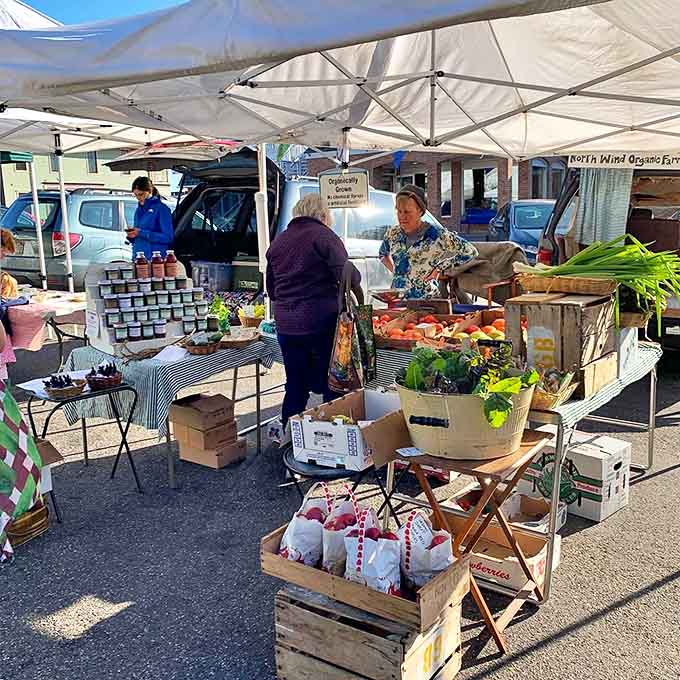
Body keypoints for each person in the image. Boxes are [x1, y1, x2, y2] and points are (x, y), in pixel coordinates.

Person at [266, 194, 362, 434]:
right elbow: (351, 276)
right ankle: (334, 439)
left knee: (296, 385)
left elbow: (271, 289)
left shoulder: (278, 242)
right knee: (333, 385)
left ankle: (291, 439)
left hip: (287, 325)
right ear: (322, 215)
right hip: (322, 322)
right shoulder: (324, 236)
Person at [379, 184, 478, 298]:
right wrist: (397, 273)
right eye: (399, 211)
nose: (402, 216)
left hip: (426, 299)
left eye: (407, 212)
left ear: (420, 211)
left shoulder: (437, 234)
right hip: (397, 299)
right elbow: (382, 254)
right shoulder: (393, 234)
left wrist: (439, 268)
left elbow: (470, 251)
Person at [126, 177, 174, 259]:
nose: (138, 198)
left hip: (155, 258)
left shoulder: (162, 209)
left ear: (149, 191)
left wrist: (141, 233)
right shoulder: (138, 210)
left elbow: (168, 237)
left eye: (141, 194)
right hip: (139, 257)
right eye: (136, 195)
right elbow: (139, 233)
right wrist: (132, 236)